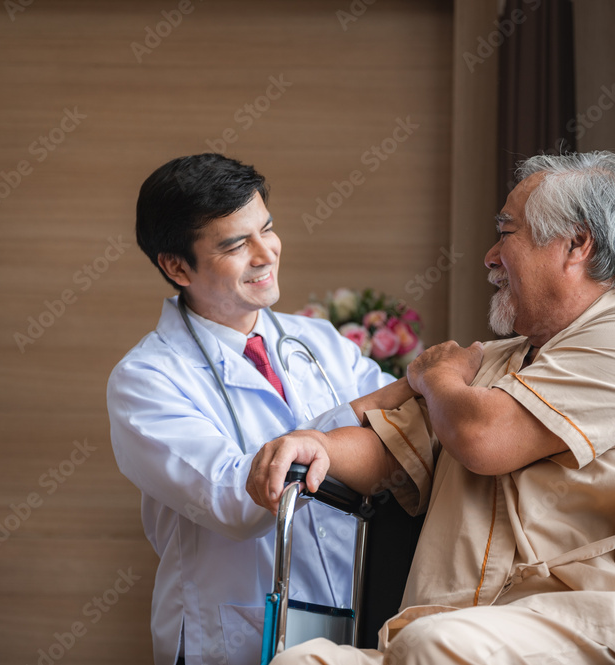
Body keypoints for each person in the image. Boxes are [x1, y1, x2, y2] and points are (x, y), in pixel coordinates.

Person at [248, 151, 615, 665]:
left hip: (586, 622)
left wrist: (434, 374)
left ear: (576, 244)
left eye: (507, 233)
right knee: (298, 662)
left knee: (431, 644)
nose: (489, 256)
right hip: (459, 625)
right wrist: (317, 445)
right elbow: (387, 449)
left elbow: (482, 439)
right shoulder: (488, 363)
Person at [107, 153, 412, 665]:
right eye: (235, 244)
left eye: (266, 229)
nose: (265, 253)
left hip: (349, 616)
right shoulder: (145, 381)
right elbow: (238, 501)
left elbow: (398, 433)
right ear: (177, 266)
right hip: (229, 634)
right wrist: (346, 425)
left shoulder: (315, 340)